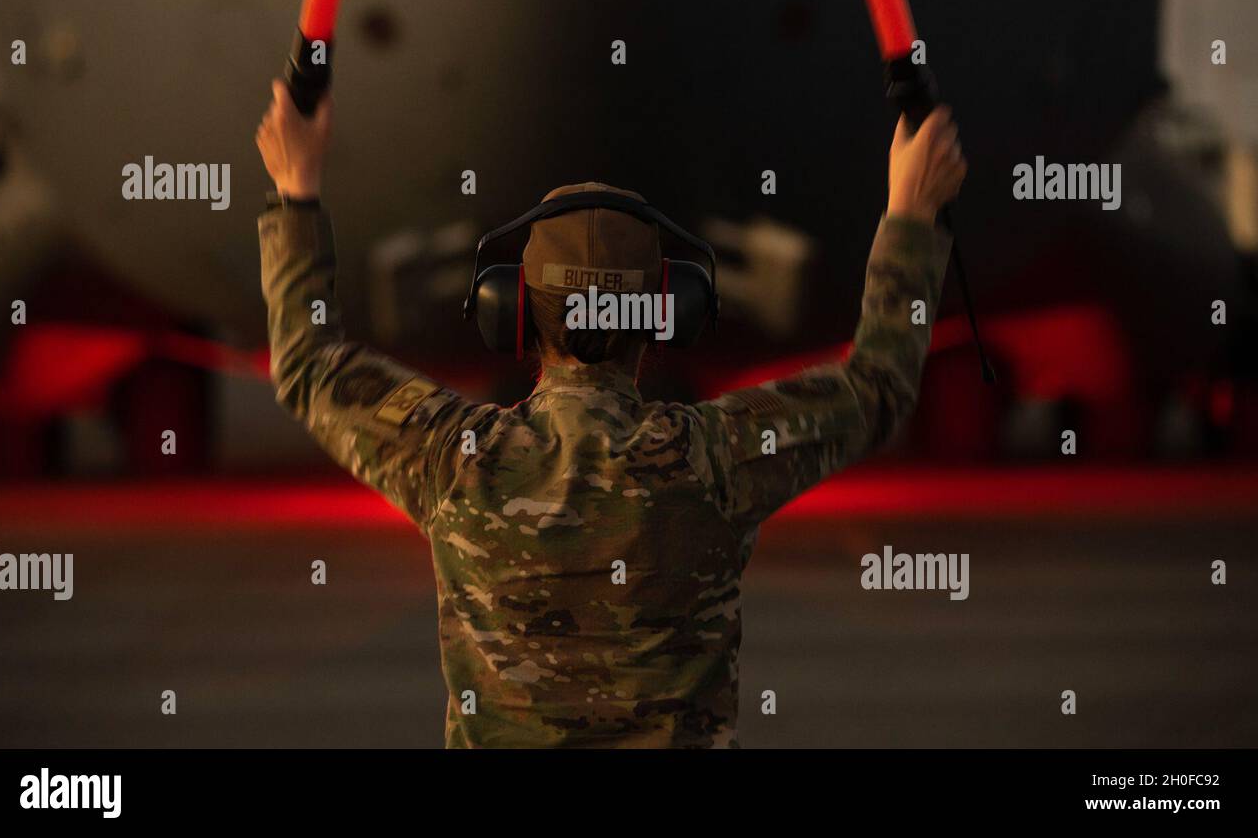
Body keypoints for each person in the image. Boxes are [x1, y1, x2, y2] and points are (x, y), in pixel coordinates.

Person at [255, 80, 964, 747]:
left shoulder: (455, 462)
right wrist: (910, 214)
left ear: (513, 310)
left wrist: (296, 191)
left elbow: (309, 365)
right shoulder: (713, 460)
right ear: (667, 312)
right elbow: (877, 384)